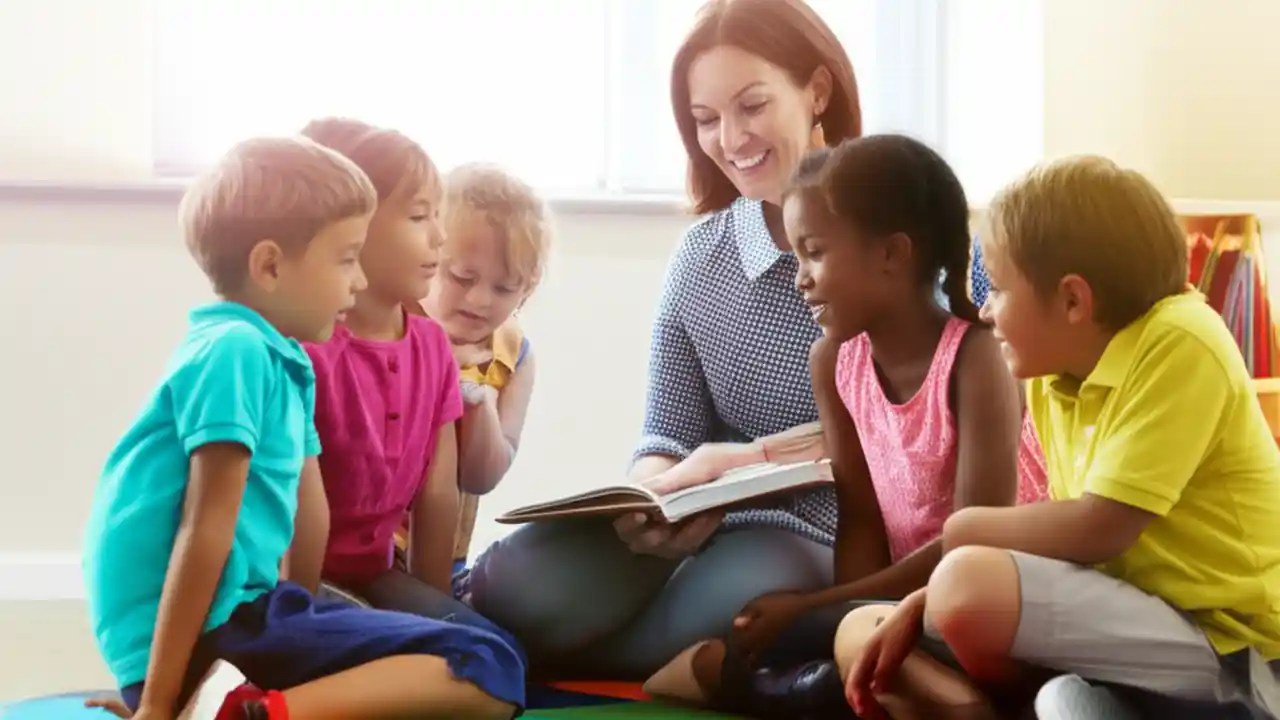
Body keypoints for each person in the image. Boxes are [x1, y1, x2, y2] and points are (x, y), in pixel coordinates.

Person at [467, 0, 862, 678]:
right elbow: (666, 434)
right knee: (512, 583)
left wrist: (733, 465)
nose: (730, 139)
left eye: (752, 106)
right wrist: (654, 502)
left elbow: (922, 429)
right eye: (706, 120)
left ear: (817, 90)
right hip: (703, 522)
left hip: (826, 531)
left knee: (739, 595)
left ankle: (520, 658)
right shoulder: (703, 257)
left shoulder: (900, 235)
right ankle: (609, 654)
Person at [81, 136, 523, 720]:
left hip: (245, 619)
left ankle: (240, 706)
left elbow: (305, 519)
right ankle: (246, 714)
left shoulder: (285, 360)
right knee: (488, 668)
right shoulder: (234, 351)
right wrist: (156, 702)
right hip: (221, 625)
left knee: (485, 665)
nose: (358, 282)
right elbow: (205, 530)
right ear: (270, 266)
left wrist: (318, 629)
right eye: (345, 260)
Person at [839, 156, 1280, 720]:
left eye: (997, 288)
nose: (986, 311)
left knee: (967, 582)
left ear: (1073, 300)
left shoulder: (1183, 340)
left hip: (1227, 645)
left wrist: (962, 532)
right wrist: (925, 599)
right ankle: (995, 703)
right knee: (864, 625)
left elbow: (1101, 528)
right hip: (1128, 619)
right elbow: (1063, 536)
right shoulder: (1051, 371)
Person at [644, 136, 1048, 717]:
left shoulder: (976, 357)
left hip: (989, 599)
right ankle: (905, 690)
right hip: (906, 607)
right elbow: (859, 519)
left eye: (814, 252)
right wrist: (848, 613)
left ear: (892, 254)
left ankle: (761, 683)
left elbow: (972, 539)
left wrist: (820, 607)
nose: (800, 278)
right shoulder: (835, 361)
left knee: (807, 634)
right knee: (819, 635)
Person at [412, 163, 550, 580]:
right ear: (427, 258)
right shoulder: (397, 325)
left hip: (445, 559)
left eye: (505, 287)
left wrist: (477, 397)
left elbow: (483, 476)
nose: (479, 299)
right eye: (461, 276)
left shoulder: (514, 355)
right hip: (371, 552)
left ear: (527, 288)